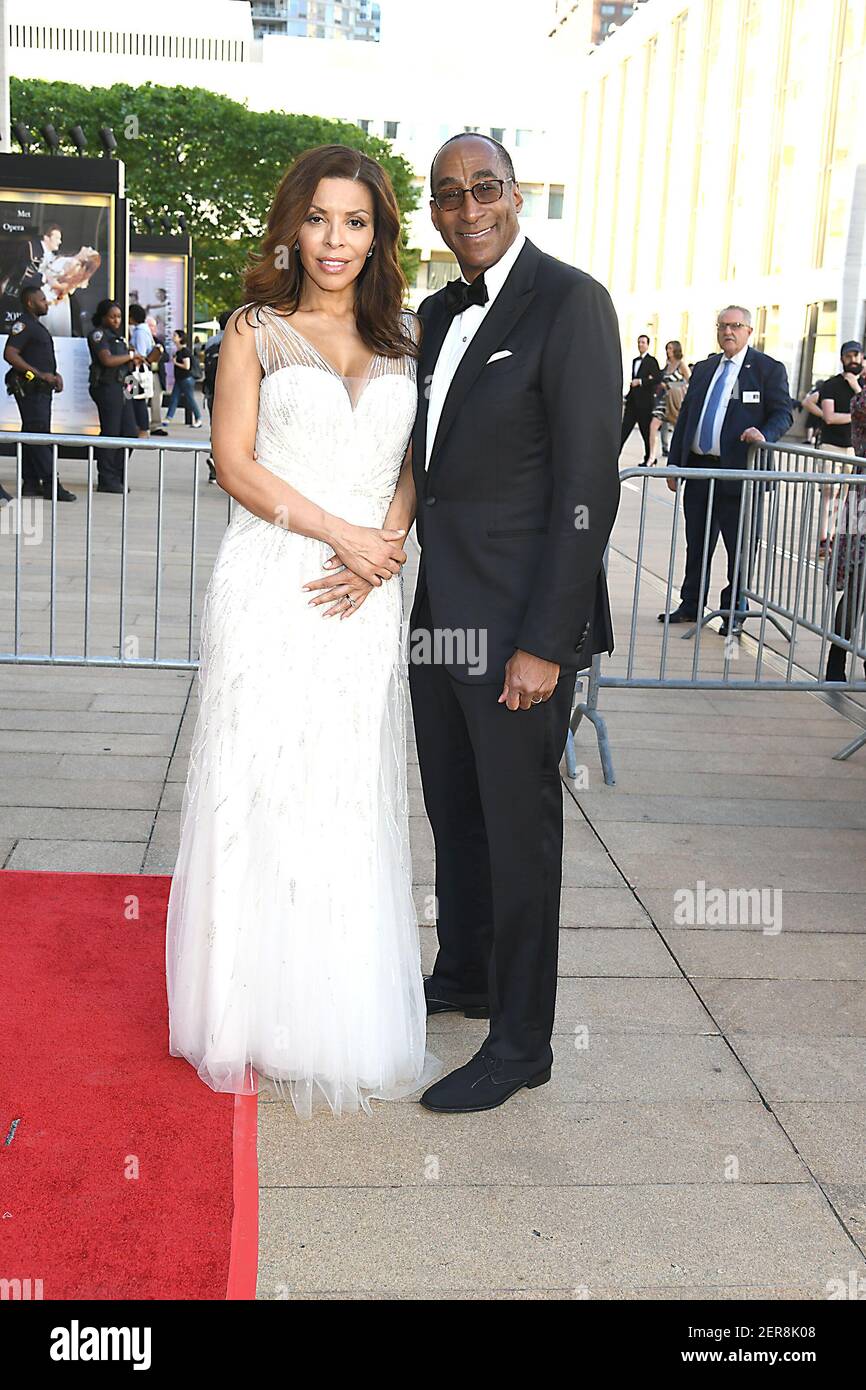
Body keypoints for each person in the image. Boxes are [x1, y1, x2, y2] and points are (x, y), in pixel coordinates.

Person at [164, 144, 440, 1118]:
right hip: (275, 578)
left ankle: (329, 1010)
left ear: (378, 235)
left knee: (341, 787)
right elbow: (232, 463)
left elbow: (410, 461)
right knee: (260, 777)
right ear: (292, 224)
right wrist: (340, 536)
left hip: (364, 593)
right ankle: (244, 1010)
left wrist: (386, 547)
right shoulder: (254, 328)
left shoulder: (403, 336)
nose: (334, 239)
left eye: (354, 221)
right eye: (319, 218)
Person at [382, 132, 620, 1114]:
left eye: (483, 188)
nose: (466, 208)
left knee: (520, 833)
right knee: (454, 810)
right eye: (446, 195)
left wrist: (543, 643)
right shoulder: (436, 313)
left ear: (514, 195)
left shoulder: (570, 302)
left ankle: (520, 1042)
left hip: (520, 625)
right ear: (431, 210)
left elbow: (584, 485)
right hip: (440, 613)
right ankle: (465, 970)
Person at [660, 306, 793, 637]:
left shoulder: (767, 369)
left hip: (740, 474)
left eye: (735, 326)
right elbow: (687, 417)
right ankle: (691, 603)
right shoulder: (705, 368)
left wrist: (765, 435)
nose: (728, 332)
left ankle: (734, 612)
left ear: (750, 330)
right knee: (697, 543)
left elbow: (783, 413)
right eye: (722, 326)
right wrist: (675, 463)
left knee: (740, 546)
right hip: (701, 472)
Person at [3, 281, 76, 500]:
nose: (46, 303)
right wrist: (38, 374)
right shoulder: (23, 325)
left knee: (32, 434)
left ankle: (31, 483)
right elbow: (10, 354)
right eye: (42, 299)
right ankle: (52, 484)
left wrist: (54, 376)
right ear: (29, 302)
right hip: (31, 390)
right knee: (39, 435)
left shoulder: (36, 325)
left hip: (41, 389)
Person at [87, 299, 141, 493]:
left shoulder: (120, 338)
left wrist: (133, 363)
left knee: (130, 432)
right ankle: (107, 478)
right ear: (103, 317)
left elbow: (126, 367)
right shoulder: (98, 334)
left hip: (124, 387)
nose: (117, 320)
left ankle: (118, 474)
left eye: (119, 316)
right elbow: (107, 360)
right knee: (111, 433)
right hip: (107, 387)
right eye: (112, 316)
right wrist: (131, 356)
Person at [817, 341, 864, 557]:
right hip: (832, 447)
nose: (853, 360)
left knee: (848, 499)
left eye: (857, 355)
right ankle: (824, 537)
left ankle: (838, 538)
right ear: (842, 358)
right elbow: (829, 417)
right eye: (849, 356)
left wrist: (857, 388)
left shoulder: (862, 386)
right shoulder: (831, 384)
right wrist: (855, 417)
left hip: (855, 451)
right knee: (829, 495)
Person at [647, 339, 690, 465]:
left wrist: (671, 385)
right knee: (653, 425)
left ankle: (679, 457)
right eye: (667, 348)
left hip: (676, 401)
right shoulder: (667, 364)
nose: (668, 351)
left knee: (679, 429)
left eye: (670, 348)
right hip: (664, 400)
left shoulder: (681, 364)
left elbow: (690, 381)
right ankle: (651, 456)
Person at [620, 333, 660, 465]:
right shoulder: (634, 361)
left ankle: (649, 458)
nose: (640, 345)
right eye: (639, 342)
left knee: (645, 432)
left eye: (643, 342)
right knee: (623, 430)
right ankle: (614, 456)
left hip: (644, 403)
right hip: (632, 403)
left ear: (648, 345)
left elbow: (656, 379)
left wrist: (641, 381)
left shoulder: (651, 361)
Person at [202, 309, 232, 482]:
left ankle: (215, 463)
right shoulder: (236, 339)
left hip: (212, 391)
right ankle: (225, 468)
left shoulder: (211, 341)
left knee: (216, 430)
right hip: (232, 395)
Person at [128, 303, 157, 440]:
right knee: (135, 399)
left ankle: (143, 429)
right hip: (138, 373)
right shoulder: (144, 330)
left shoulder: (139, 332)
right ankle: (140, 428)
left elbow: (140, 353)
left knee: (136, 400)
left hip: (135, 373)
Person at [164, 329, 202, 427]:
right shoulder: (179, 351)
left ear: (180, 338)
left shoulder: (185, 351)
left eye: (175, 335)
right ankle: (168, 418)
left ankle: (198, 418)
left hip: (186, 379)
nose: (173, 337)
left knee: (190, 399)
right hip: (180, 379)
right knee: (174, 398)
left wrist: (175, 362)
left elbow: (187, 366)